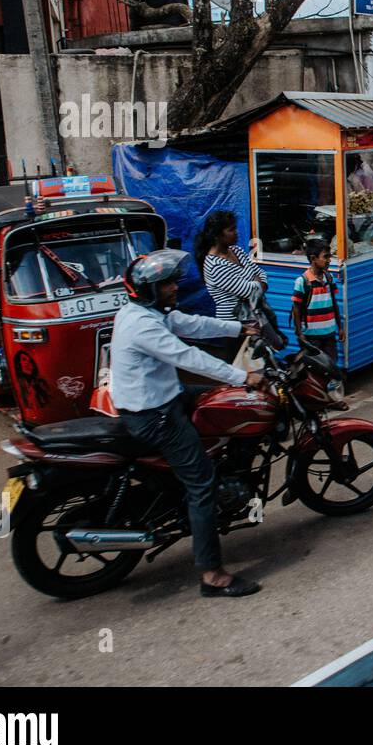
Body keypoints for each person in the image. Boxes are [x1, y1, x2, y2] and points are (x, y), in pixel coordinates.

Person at [112, 249, 265, 597]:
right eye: (166, 283)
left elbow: (190, 322)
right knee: (202, 485)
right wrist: (242, 377)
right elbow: (188, 356)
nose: (174, 287)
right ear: (148, 290)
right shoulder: (142, 325)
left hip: (164, 397)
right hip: (156, 415)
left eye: (172, 281)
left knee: (223, 404)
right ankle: (212, 575)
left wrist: (239, 326)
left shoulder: (149, 312)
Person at [196, 210, 268, 362]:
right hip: (234, 328)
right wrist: (257, 284)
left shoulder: (236, 251)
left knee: (259, 368)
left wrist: (256, 283)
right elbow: (248, 290)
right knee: (242, 371)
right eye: (231, 229)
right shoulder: (213, 265)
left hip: (253, 321)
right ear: (217, 235)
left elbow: (261, 274)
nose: (236, 232)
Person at [290, 238, 348, 408]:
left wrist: (340, 327)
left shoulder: (329, 278)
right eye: (326, 256)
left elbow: (334, 303)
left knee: (331, 367)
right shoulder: (303, 281)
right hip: (311, 336)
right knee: (313, 370)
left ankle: (332, 400)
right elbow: (296, 308)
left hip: (329, 332)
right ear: (314, 258)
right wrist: (299, 333)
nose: (329, 259)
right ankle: (314, 401)